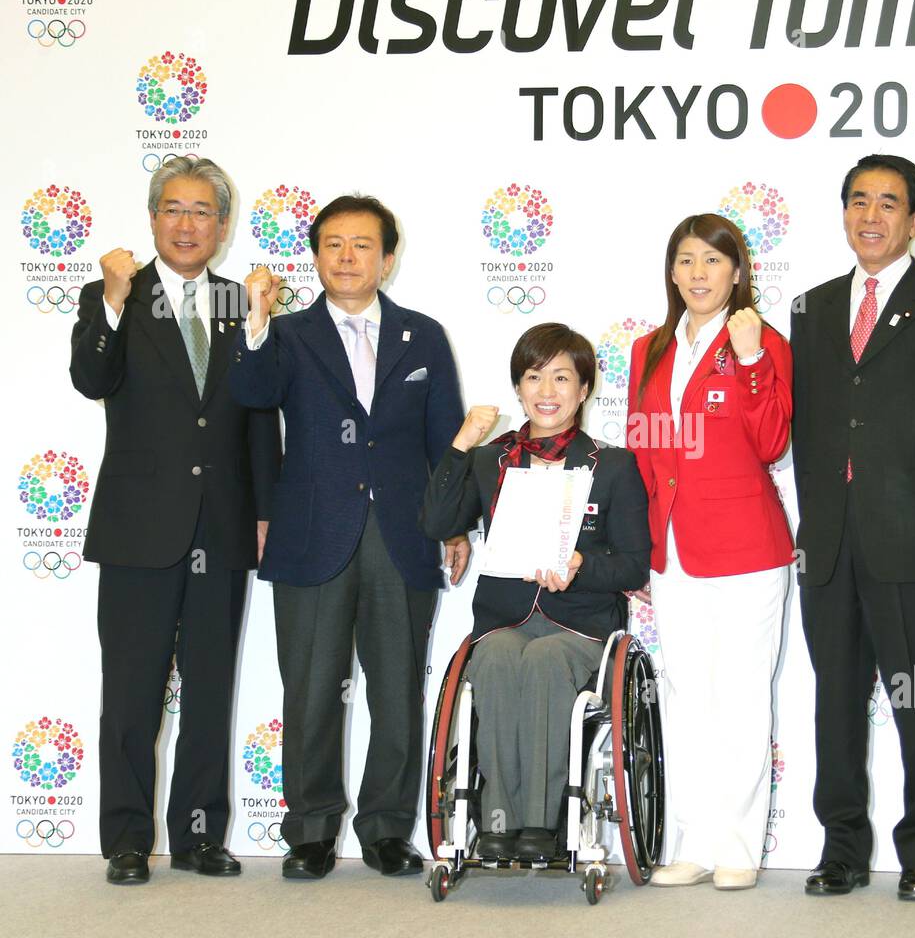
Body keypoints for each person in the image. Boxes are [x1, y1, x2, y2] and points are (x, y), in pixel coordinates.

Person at [229, 194, 465, 880]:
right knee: (309, 689)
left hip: (402, 535)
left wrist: (451, 522)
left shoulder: (423, 335)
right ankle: (309, 831)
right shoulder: (286, 335)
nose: (347, 257)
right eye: (333, 244)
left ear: (388, 258)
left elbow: (447, 439)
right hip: (310, 534)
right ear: (316, 256)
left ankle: (388, 829)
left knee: (397, 689)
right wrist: (256, 322)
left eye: (363, 245)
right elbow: (252, 393)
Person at [70, 156, 282, 885]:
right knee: (130, 694)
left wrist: (263, 511)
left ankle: (198, 836)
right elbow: (90, 379)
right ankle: (128, 841)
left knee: (211, 689)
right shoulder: (116, 297)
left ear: (223, 225)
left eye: (202, 211)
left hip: (221, 526)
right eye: (173, 208)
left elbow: (259, 417)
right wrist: (110, 298)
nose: (187, 223)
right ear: (153, 217)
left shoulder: (242, 304)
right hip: (138, 530)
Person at [791, 154, 915, 900]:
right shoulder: (810, 307)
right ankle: (841, 847)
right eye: (857, 201)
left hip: (913, 536)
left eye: (888, 204)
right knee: (836, 702)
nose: (870, 216)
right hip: (831, 542)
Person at [421, 323, 650, 862]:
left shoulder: (611, 466)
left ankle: (544, 824)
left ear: (585, 389)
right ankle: (499, 820)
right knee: (496, 657)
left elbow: (635, 564)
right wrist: (460, 444)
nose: (546, 391)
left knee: (546, 660)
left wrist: (580, 565)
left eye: (562, 377)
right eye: (533, 376)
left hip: (580, 625)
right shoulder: (490, 460)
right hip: (505, 619)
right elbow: (434, 521)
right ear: (518, 389)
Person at [626, 213, 794, 890]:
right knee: (686, 695)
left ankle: (738, 847)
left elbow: (771, 442)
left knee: (742, 697)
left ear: (737, 272)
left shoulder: (762, 341)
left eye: (713, 261)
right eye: (687, 260)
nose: (699, 274)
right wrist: (645, 545)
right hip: (673, 552)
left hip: (749, 549)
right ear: (672, 271)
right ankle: (692, 842)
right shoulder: (648, 348)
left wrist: (752, 363)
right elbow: (644, 447)